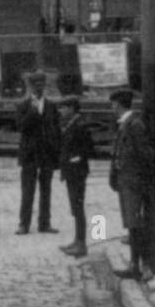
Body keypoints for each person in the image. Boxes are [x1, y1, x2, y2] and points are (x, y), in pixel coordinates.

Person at [109, 87, 155, 280]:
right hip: (126, 181)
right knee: (132, 224)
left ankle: (140, 265)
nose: (112, 108)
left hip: (133, 182)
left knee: (135, 224)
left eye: (113, 104)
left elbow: (145, 154)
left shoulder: (133, 124)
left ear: (118, 105)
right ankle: (135, 264)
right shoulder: (127, 123)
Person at [15, 70, 61, 235]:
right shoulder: (23, 105)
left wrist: (56, 155)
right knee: (27, 191)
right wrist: (32, 111)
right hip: (29, 155)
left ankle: (45, 223)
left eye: (42, 84)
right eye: (36, 84)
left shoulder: (51, 106)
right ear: (31, 86)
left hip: (46, 154)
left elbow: (55, 130)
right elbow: (21, 127)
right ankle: (23, 224)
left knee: (46, 190)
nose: (39, 87)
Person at [59, 96, 96, 257]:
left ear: (72, 108)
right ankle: (77, 240)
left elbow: (88, 150)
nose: (61, 111)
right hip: (71, 172)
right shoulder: (72, 124)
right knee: (75, 208)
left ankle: (81, 244)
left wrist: (74, 160)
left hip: (77, 173)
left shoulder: (80, 125)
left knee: (78, 208)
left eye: (63, 107)